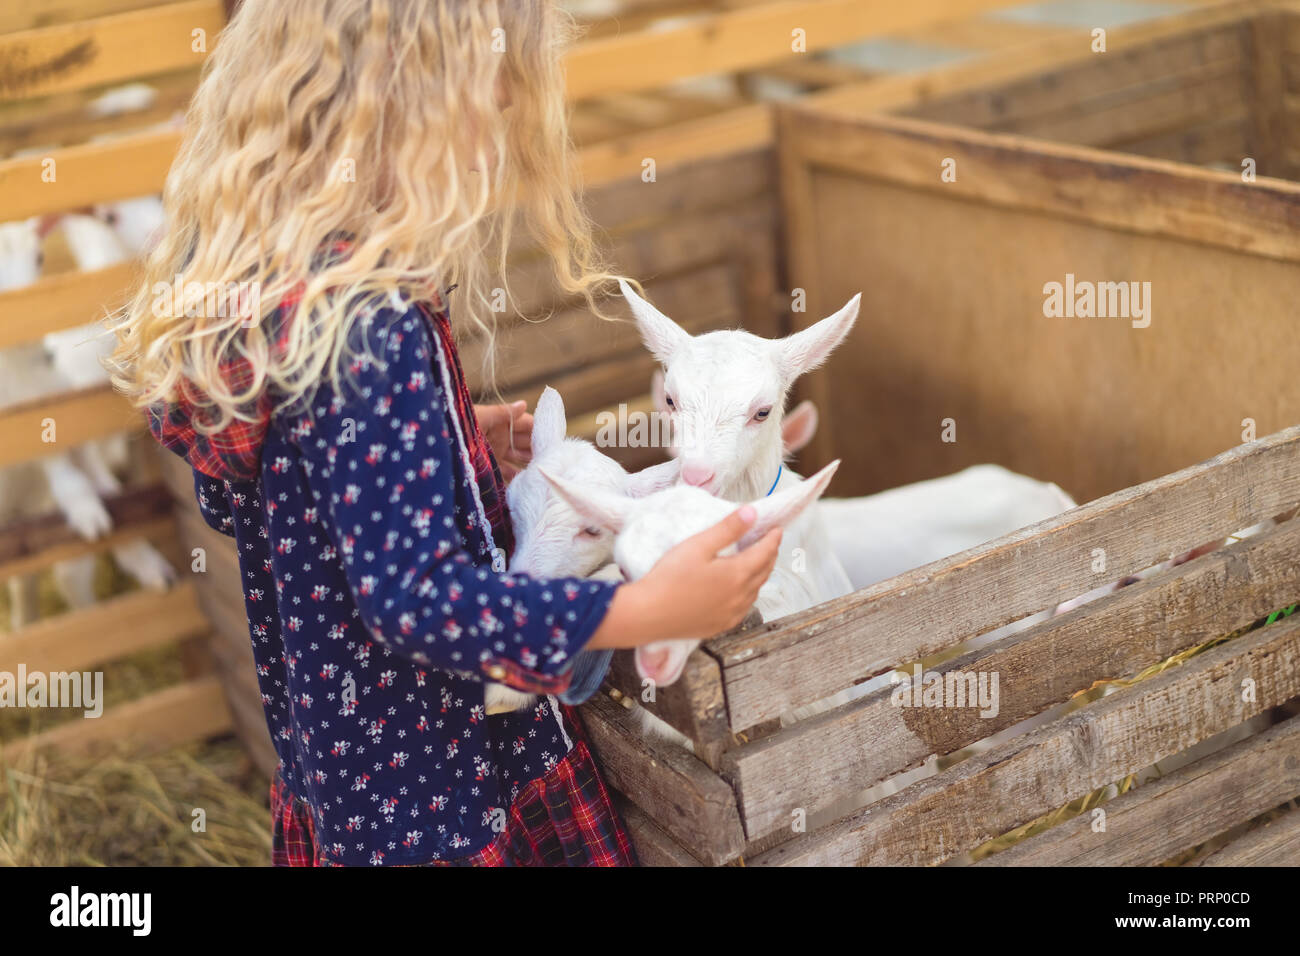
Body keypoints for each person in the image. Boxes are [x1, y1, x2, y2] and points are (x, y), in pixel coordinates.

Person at [109, 0, 780, 866]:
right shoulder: (373, 320)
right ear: (419, 107)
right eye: (492, 110)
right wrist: (637, 608)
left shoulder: (279, 294)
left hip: (351, 784)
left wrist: (449, 448)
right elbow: (413, 600)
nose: (493, 147)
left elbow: (253, 500)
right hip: (445, 789)